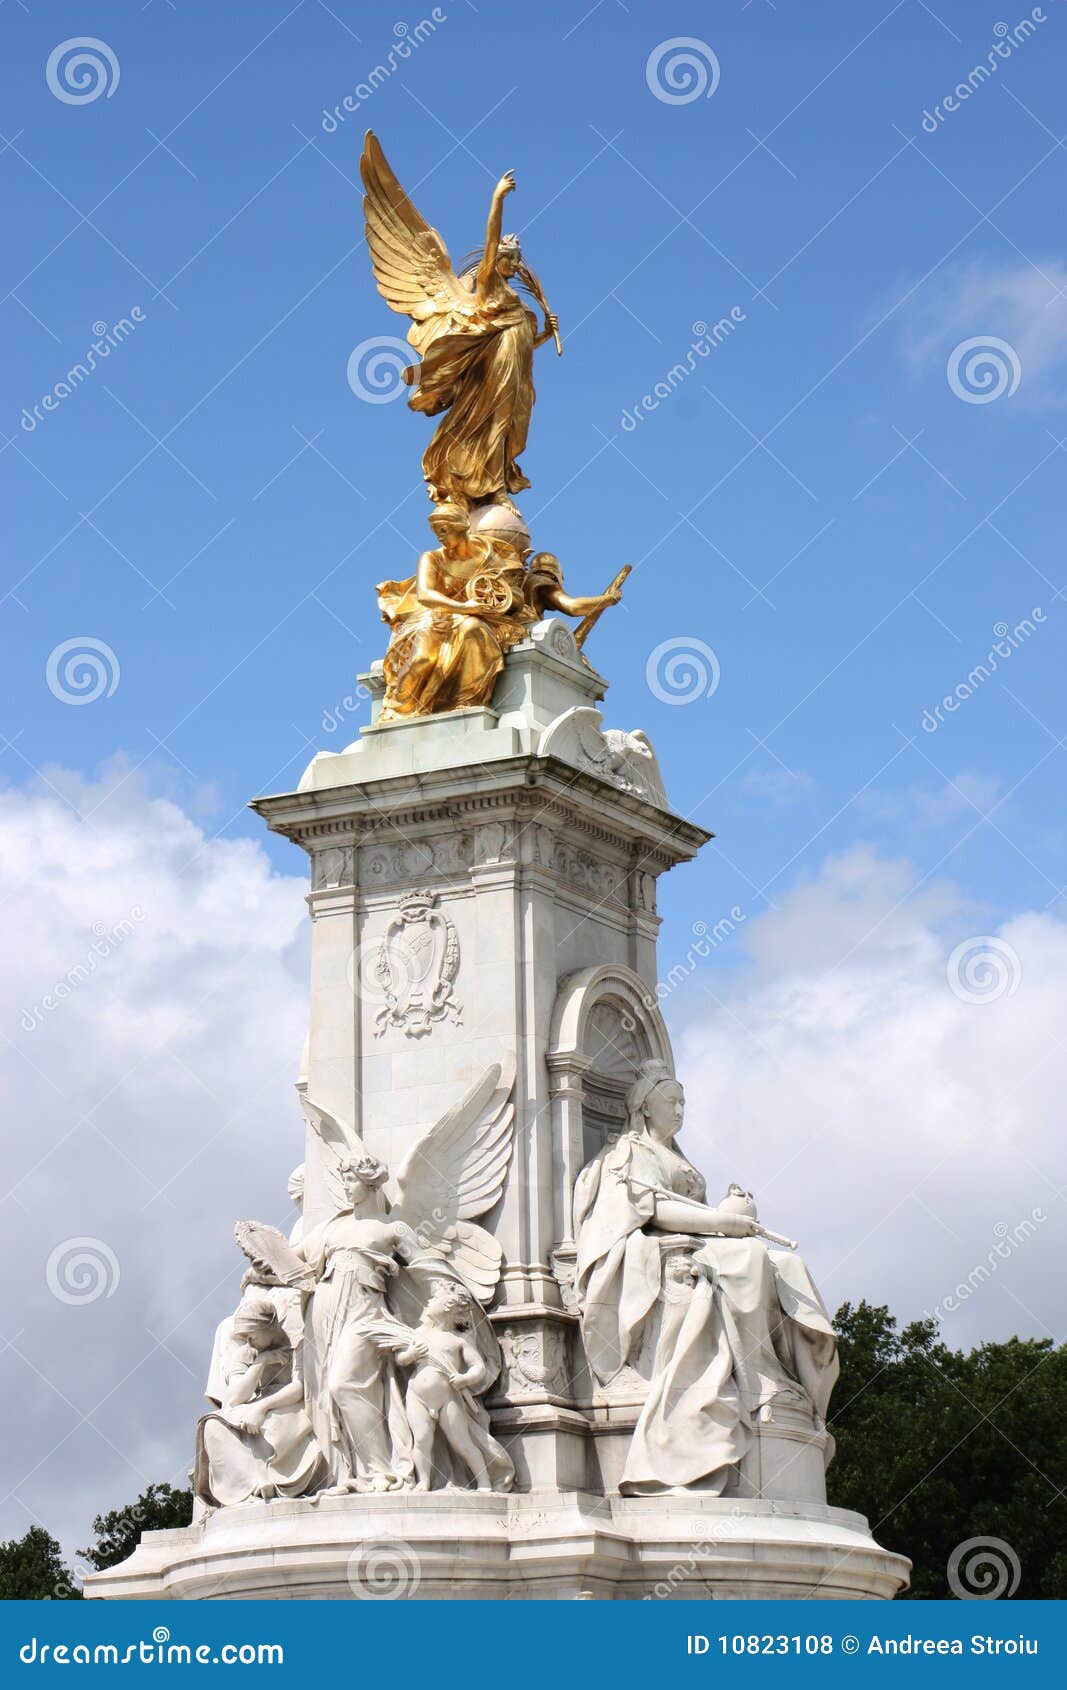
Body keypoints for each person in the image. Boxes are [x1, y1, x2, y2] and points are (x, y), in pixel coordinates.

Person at [573, 1060, 838, 1494]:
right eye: (671, 1103)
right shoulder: (630, 1152)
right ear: (645, 1108)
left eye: (682, 1102)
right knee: (748, 1261)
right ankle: (755, 1376)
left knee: (788, 1266)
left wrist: (732, 1212)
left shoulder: (675, 1155)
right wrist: (722, 1224)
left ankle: (782, 1377)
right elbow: (649, 1210)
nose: (679, 1110)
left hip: (694, 1240)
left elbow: (693, 1213)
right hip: (661, 1247)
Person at [294, 1152, 417, 1493]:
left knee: (344, 1383)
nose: (345, 1187)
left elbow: (425, 1269)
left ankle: (380, 1472)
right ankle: (350, 1472)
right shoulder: (333, 1227)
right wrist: (264, 1264)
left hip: (365, 1310)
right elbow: (296, 1260)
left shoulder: (391, 1228)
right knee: (328, 1391)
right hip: (325, 1307)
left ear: (370, 1183)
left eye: (350, 1180)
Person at [376, 504, 530, 720]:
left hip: (476, 617)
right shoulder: (431, 558)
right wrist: (463, 607)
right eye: (436, 530)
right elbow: (425, 595)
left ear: (462, 527)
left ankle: (466, 701)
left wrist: (505, 601)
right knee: (421, 659)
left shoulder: (486, 557)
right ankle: (397, 708)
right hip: (433, 617)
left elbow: (506, 590)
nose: (440, 536)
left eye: (444, 529)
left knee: (473, 630)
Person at [194, 1291, 325, 1508]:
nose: (248, 1342)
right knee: (212, 1425)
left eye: (251, 1335)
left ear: (268, 1327)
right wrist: (261, 1362)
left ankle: (274, 1478)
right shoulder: (249, 1353)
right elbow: (235, 1398)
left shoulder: (298, 1345)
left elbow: (299, 1388)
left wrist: (262, 1408)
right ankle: (251, 1483)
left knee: (271, 1426)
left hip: (288, 1407)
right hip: (255, 1406)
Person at [395, 1280, 514, 1493]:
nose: (428, 1301)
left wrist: (465, 1379)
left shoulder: (457, 1340)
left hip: (448, 1397)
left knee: (462, 1443)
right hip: (416, 1394)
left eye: (434, 1299)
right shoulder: (419, 1333)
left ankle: (484, 1481)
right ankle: (423, 1481)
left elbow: (478, 1367)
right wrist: (410, 1355)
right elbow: (402, 1359)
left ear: (447, 1308)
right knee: (421, 1440)